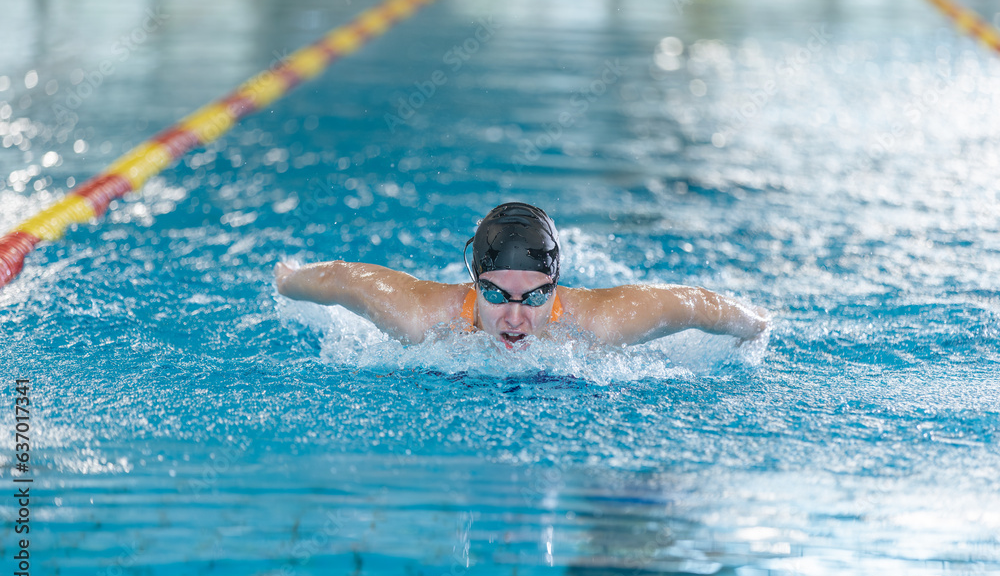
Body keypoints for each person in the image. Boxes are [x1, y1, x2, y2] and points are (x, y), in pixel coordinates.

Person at [274, 202, 770, 348]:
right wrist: (288, 279)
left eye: (533, 299)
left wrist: (754, 325)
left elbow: (694, 304)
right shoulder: (420, 317)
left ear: (555, 289)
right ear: (474, 283)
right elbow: (342, 279)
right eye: (495, 294)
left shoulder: (600, 322)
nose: (514, 318)